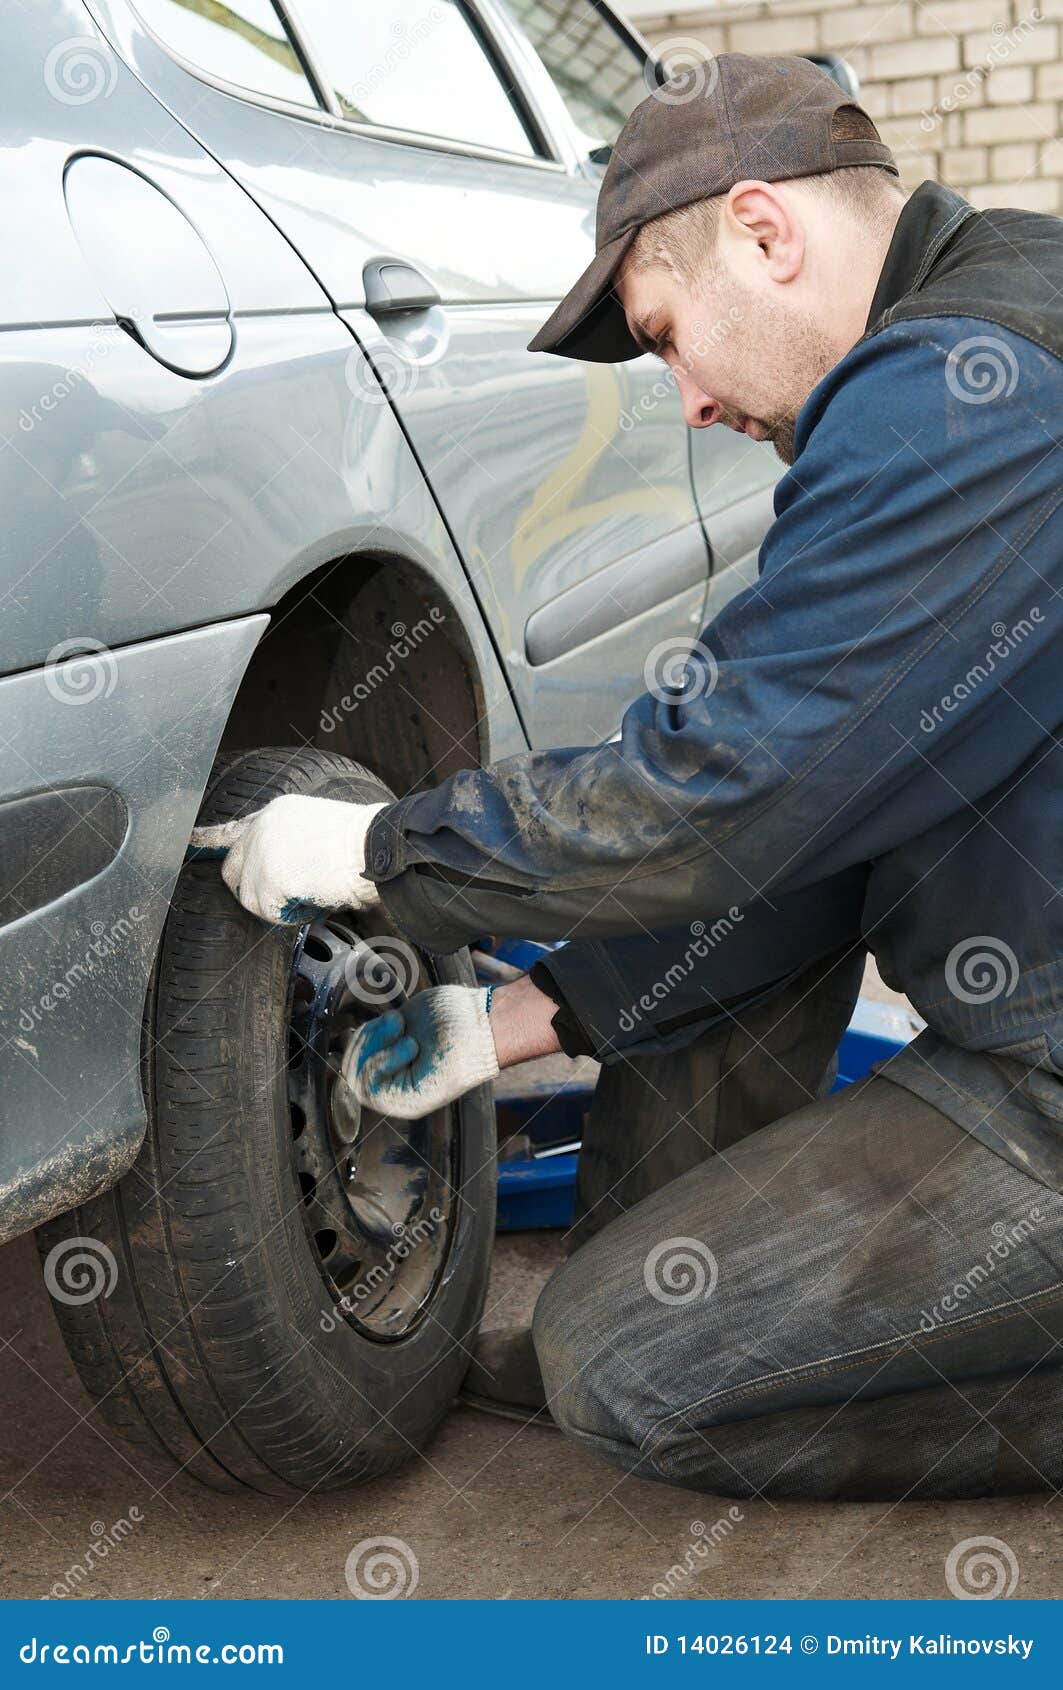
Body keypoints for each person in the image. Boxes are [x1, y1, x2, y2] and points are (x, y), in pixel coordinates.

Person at [193, 54, 1063, 1500]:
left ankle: (696, 1352)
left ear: (764, 232)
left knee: (625, 1368)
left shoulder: (967, 399)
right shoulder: (991, 314)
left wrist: (381, 852)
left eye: (668, 337)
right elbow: (809, 811)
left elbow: (727, 789)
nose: (689, 403)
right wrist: (520, 1019)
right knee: (718, 920)